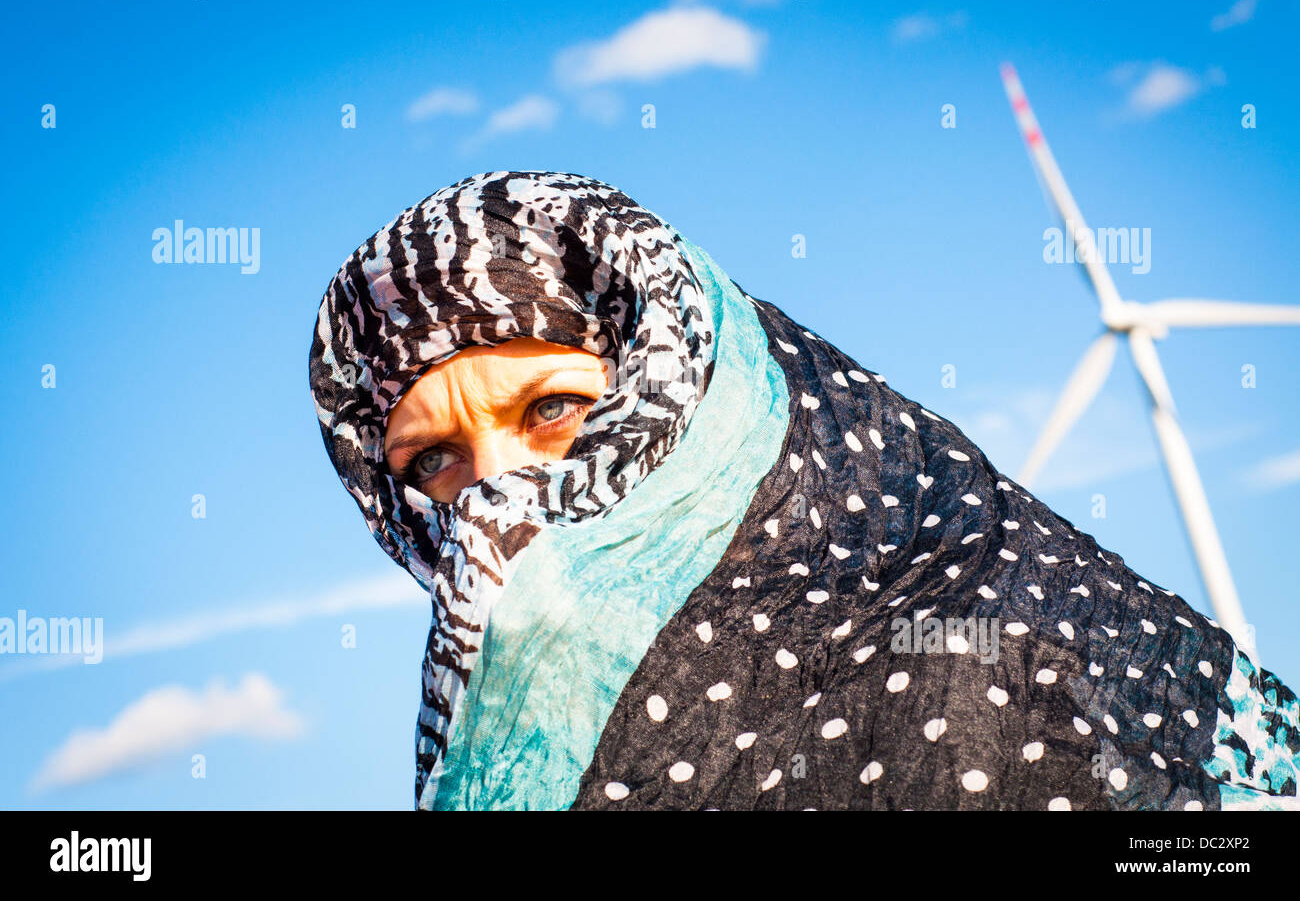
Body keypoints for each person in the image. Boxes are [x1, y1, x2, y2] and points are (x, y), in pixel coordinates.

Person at [308, 171, 1300, 810]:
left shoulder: (992, 676)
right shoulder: (507, 734)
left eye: (555, 407)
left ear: (690, 398)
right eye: (429, 463)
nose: (498, 493)